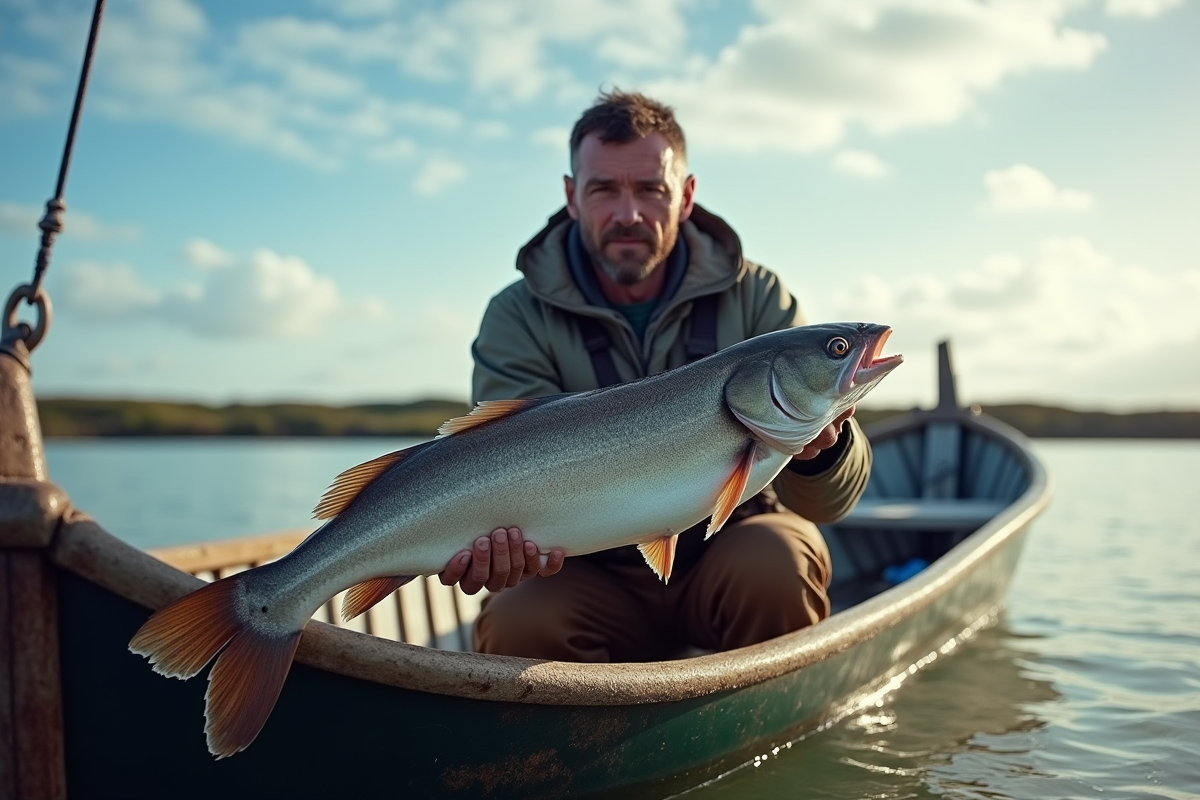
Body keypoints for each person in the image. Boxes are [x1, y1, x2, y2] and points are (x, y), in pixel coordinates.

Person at [437, 90, 871, 662]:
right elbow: (497, 461)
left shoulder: (759, 295)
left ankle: (765, 717)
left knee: (780, 563)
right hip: (582, 568)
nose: (628, 214)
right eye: (603, 189)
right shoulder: (516, 315)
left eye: (650, 189)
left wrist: (823, 451)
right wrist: (499, 545)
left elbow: (831, 505)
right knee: (519, 620)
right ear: (571, 196)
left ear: (685, 196)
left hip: (728, 549)